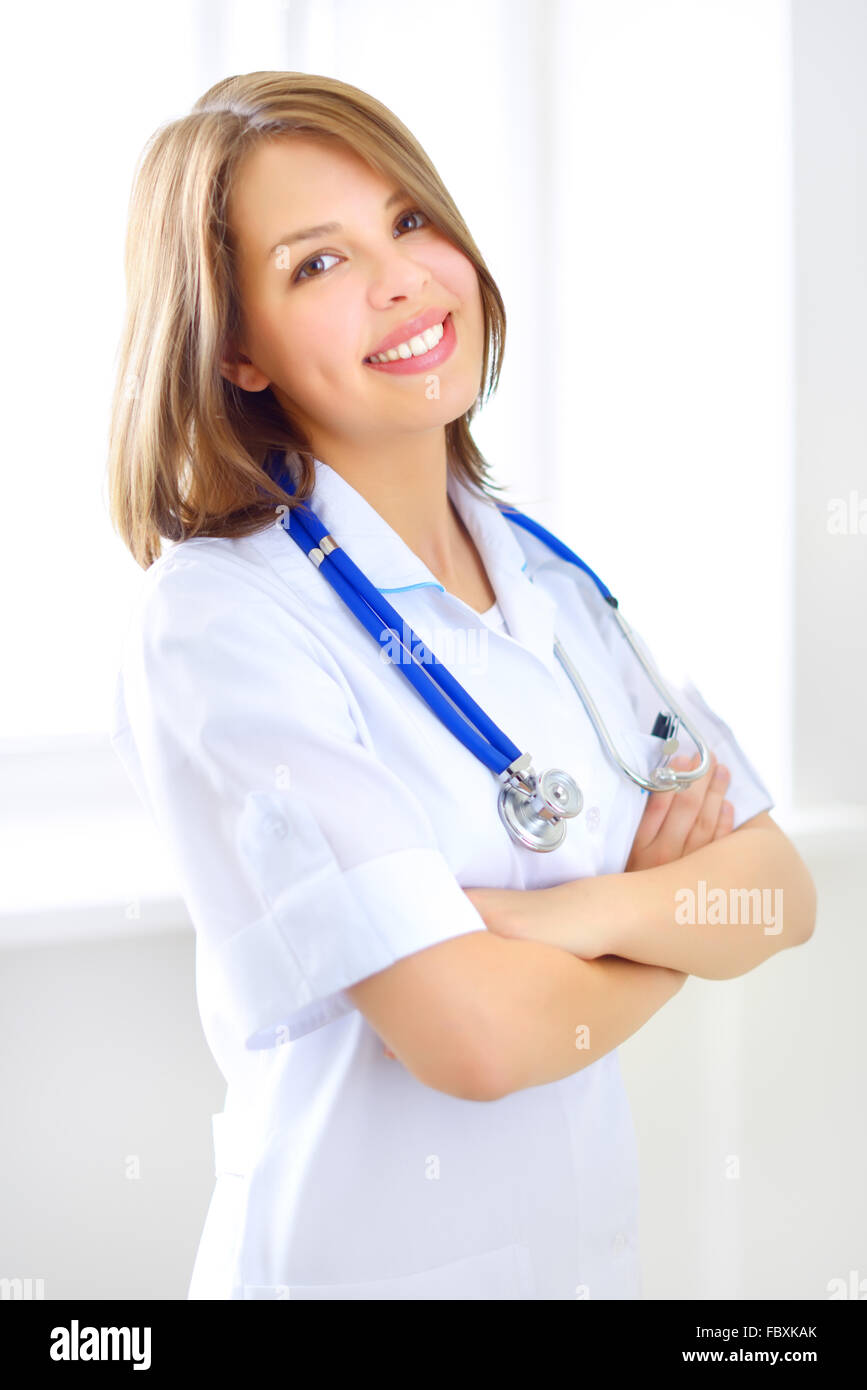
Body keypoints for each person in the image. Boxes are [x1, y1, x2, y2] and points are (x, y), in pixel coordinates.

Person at [107, 71, 816, 1300]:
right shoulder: (222, 618)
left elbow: (775, 897)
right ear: (236, 350)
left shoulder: (547, 575)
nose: (401, 280)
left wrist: (553, 924)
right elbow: (475, 1040)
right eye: (317, 265)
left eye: (410, 220)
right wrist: (664, 919)